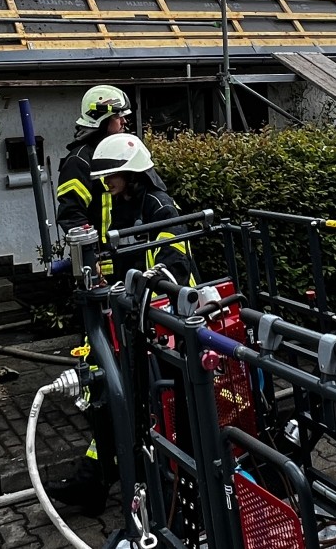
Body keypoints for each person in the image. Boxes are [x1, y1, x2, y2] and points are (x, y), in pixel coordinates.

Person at [45, 133, 198, 516]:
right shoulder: (121, 204)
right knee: (115, 398)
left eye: (111, 176)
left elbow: (173, 262)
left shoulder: (161, 207)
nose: (105, 185)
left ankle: (166, 489)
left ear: (131, 174)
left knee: (159, 408)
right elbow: (121, 254)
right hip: (134, 319)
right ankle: (98, 478)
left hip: (169, 325)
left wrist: (143, 289)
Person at [55, 85, 133, 253]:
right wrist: (89, 256)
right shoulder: (79, 161)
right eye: (118, 115)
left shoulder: (122, 154)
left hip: (131, 257)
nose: (124, 121)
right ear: (100, 118)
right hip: (102, 262)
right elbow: (72, 216)